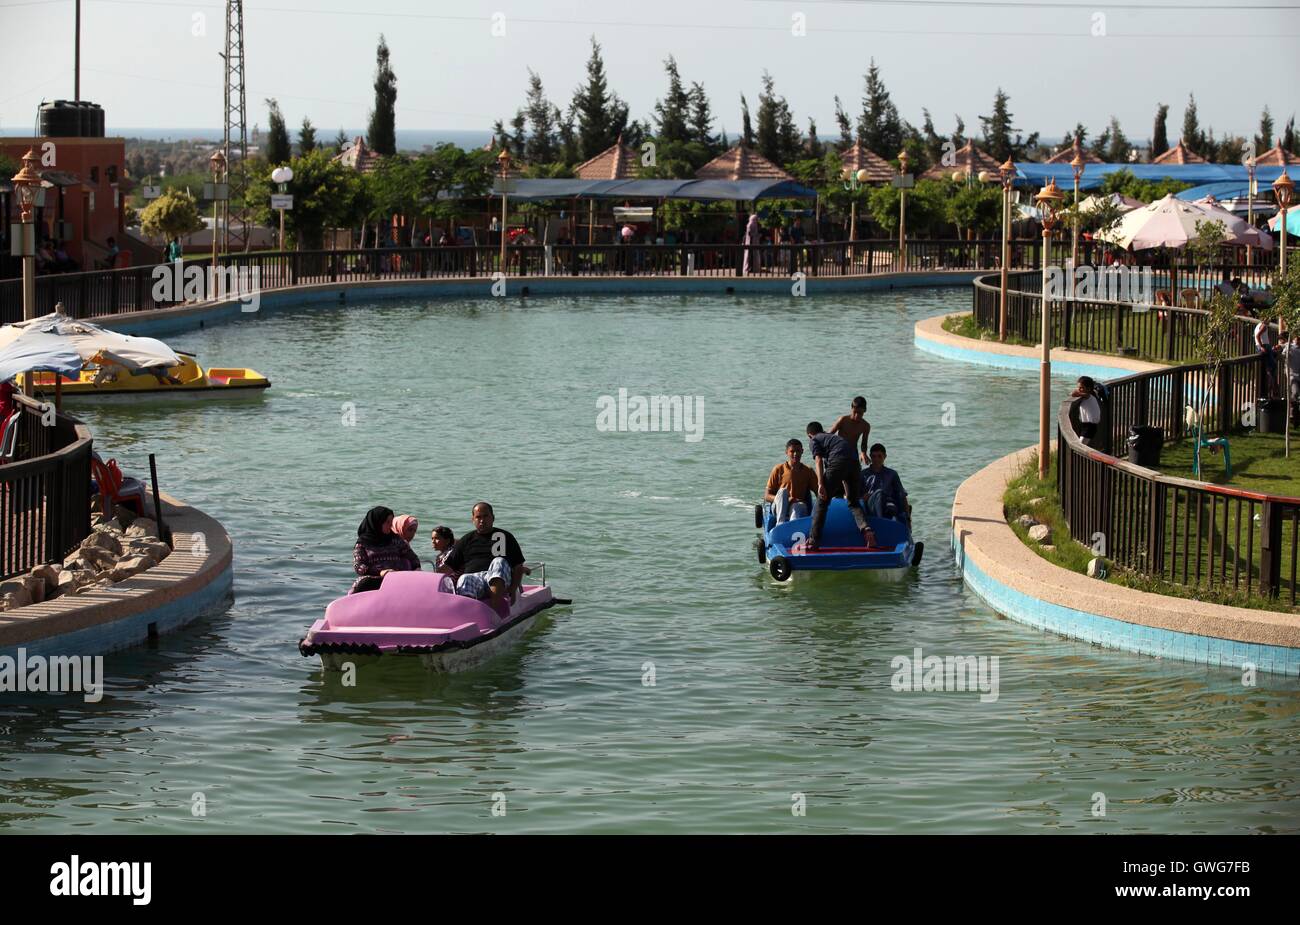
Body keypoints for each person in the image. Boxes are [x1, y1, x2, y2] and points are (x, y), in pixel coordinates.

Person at [437, 501, 526, 609]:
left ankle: (495, 611)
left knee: (499, 561)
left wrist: (513, 589)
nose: (482, 520)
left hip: (500, 580)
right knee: (464, 578)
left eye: (486, 516)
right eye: (478, 517)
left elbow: (518, 567)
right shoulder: (466, 540)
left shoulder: (505, 537)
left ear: (493, 518)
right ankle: (469, 616)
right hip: (476, 580)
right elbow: (448, 567)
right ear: (473, 520)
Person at [806, 421, 873, 551]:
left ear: (810, 435)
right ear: (823, 430)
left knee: (822, 501)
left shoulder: (814, 440)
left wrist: (820, 484)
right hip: (854, 465)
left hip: (838, 462)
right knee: (853, 502)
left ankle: (813, 540)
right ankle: (867, 530)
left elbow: (818, 460)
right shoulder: (833, 438)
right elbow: (844, 461)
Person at [351, 505, 421, 593]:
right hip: (374, 579)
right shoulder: (363, 543)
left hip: (396, 578)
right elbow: (359, 566)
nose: (390, 525)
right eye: (387, 522)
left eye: (391, 522)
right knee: (364, 584)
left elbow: (412, 557)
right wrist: (380, 572)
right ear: (378, 522)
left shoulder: (395, 539)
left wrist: (416, 567)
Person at [764, 438, 819, 524]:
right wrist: (785, 499)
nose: (795, 454)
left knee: (796, 506)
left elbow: (819, 494)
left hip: (798, 506)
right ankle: (780, 525)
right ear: (787, 452)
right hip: (779, 506)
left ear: (802, 451)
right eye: (792, 451)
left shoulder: (808, 471)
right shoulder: (778, 469)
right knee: (783, 491)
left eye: (798, 451)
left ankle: (793, 529)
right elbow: (767, 496)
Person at [861, 443, 908, 522]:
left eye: (879, 456)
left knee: (892, 508)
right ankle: (881, 522)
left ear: (885, 456)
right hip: (871, 506)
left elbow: (902, 496)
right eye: (874, 456)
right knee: (879, 493)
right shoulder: (863, 474)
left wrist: (908, 518)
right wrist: (863, 497)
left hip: (888, 505)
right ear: (870, 457)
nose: (876, 459)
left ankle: (891, 524)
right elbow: (855, 498)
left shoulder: (892, 474)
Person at [830, 396, 872, 466]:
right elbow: (829, 435)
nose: (856, 416)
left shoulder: (865, 426)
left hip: (853, 452)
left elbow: (864, 442)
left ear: (865, 410)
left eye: (860, 413)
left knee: (855, 473)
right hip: (839, 450)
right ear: (851, 408)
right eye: (854, 412)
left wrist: (863, 453)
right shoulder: (843, 420)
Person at [1255, 314, 1280, 398]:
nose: (1270, 321)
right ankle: (1274, 390)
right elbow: (1258, 336)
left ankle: (1272, 388)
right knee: (1273, 367)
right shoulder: (1264, 326)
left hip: (1262, 347)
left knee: (1270, 367)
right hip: (1265, 347)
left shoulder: (1258, 325)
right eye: (1269, 319)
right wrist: (1262, 346)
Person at [1072, 376, 1103, 446]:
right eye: (1078, 387)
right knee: (1082, 446)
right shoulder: (1091, 395)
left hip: (1090, 427)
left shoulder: (1088, 396)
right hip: (1086, 425)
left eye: (1081, 388)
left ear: (1088, 389)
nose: (1079, 389)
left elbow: (1073, 394)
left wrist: (1078, 392)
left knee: (1080, 446)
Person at [1286, 334, 1300, 425]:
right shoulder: (1290, 348)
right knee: (1295, 393)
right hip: (1293, 375)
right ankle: (1292, 415)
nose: (1298, 341)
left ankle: (1296, 417)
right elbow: (1283, 352)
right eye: (1297, 339)